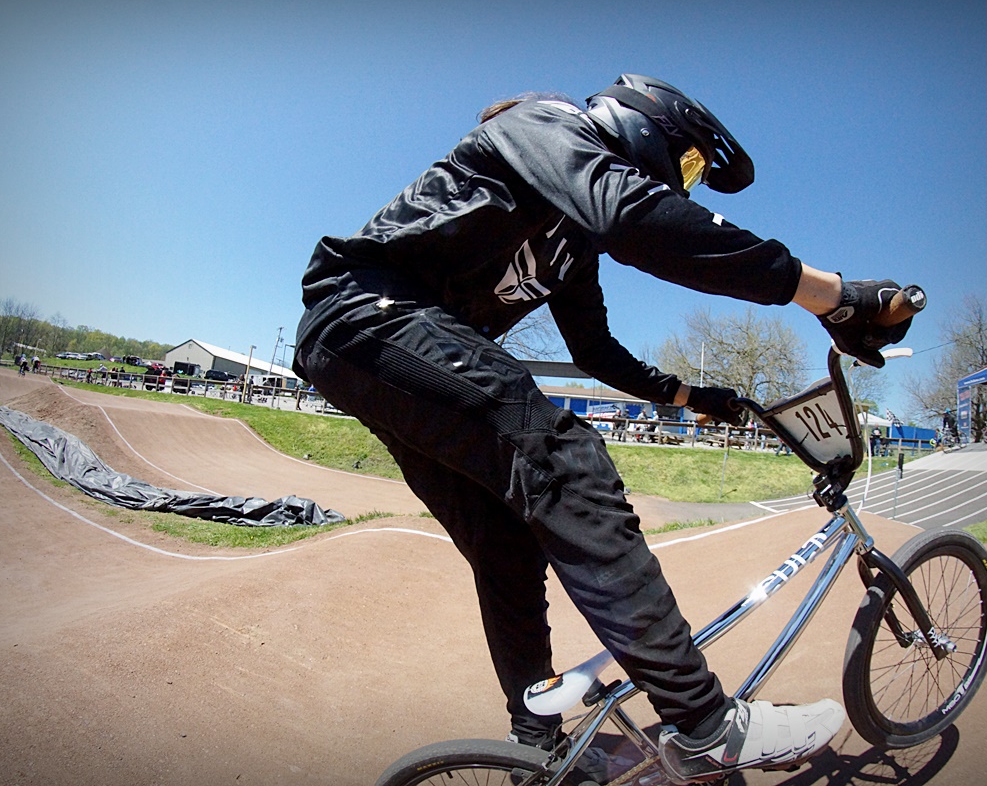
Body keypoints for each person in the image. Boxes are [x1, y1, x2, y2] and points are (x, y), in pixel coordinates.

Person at [292, 74, 914, 781]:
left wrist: (693, 394)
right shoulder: (543, 123)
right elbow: (635, 216)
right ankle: (704, 722)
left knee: (505, 545)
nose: (682, 189)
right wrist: (827, 294)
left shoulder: (573, 245)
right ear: (644, 125)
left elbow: (596, 352)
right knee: (564, 459)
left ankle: (536, 747)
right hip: (365, 314)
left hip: (391, 362)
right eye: (686, 168)